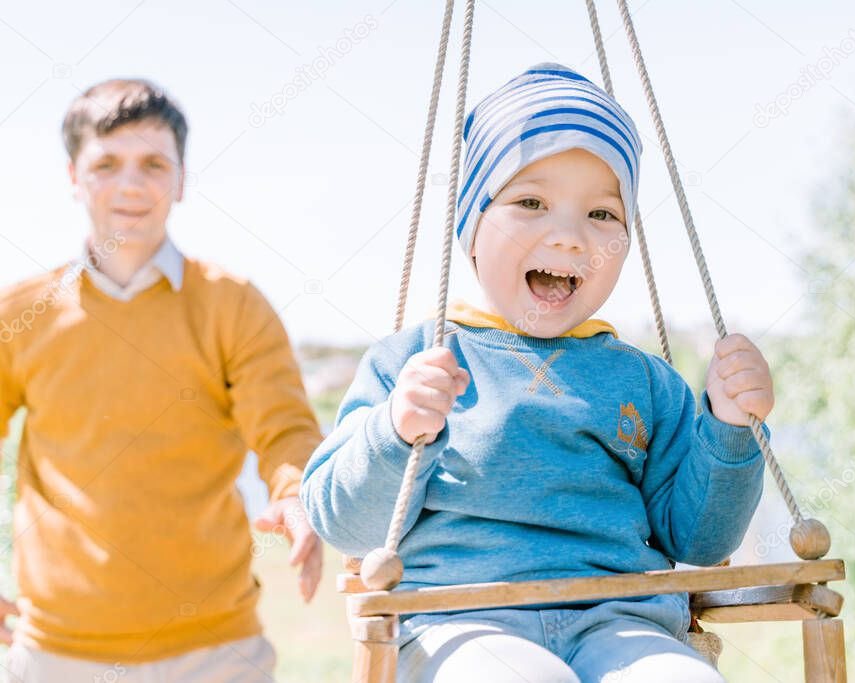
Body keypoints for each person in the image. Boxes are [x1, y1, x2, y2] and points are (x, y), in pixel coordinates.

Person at [301, 63, 774, 683]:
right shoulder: (418, 361)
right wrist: (392, 433)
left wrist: (731, 426)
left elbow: (699, 541)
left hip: (621, 621)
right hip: (460, 622)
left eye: (602, 215)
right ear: (472, 224)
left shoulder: (646, 381)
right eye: (530, 203)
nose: (571, 237)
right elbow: (347, 526)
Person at [0, 78, 324, 682]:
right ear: (74, 176)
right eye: (106, 164)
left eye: (154, 163)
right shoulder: (21, 314)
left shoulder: (234, 305)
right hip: (55, 654)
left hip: (217, 651)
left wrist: (295, 496)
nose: (131, 184)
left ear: (181, 179)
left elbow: (284, 432)